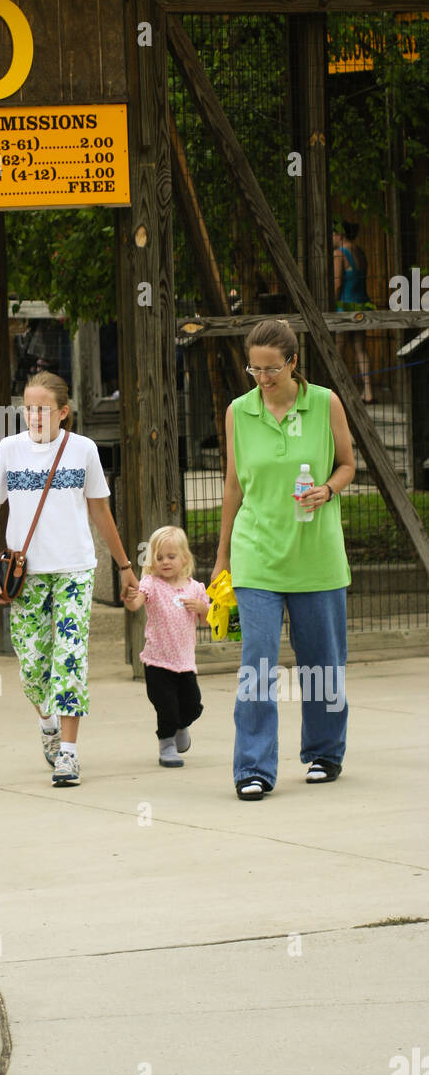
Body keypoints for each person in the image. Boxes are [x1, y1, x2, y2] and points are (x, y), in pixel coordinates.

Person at [211, 320, 356, 800]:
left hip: (317, 556)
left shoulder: (325, 403)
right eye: (255, 368)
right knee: (257, 663)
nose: (263, 377)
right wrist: (223, 555)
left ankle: (323, 752)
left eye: (272, 368)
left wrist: (328, 489)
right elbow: (234, 484)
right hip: (258, 555)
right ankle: (253, 767)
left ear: (293, 362)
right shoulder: (239, 411)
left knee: (322, 662)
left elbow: (348, 463)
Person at [0, 371, 139, 787]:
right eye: (27, 409)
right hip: (25, 574)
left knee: (69, 658)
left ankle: (68, 753)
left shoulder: (82, 450)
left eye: (43, 409)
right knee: (33, 666)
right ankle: (47, 724)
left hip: (74, 569)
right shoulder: (7, 452)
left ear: (63, 413)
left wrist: (124, 565)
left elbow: (101, 510)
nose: (34, 416)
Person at [124, 526, 210, 768]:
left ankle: (182, 724)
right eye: (159, 557)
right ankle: (167, 744)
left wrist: (202, 609)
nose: (165, 562)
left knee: (193, 705)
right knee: (166, 706)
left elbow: (208, 620)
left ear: (185, 558)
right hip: (157, 661)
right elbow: (137, 602)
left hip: (185, 663)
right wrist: (131, 599)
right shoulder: (151, 583)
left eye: (171, 557)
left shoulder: (195, 588)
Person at [333, 221, 374, 403]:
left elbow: (338, 282)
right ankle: (369, 391)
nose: (331, 238)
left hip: (345, 307)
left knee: (338, 348)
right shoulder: (360, 252)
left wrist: (332, 304)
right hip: (362, 304)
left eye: (333, 234)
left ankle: (338, 391)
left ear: (340, 235)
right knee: (360, 349)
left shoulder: (339, 253)